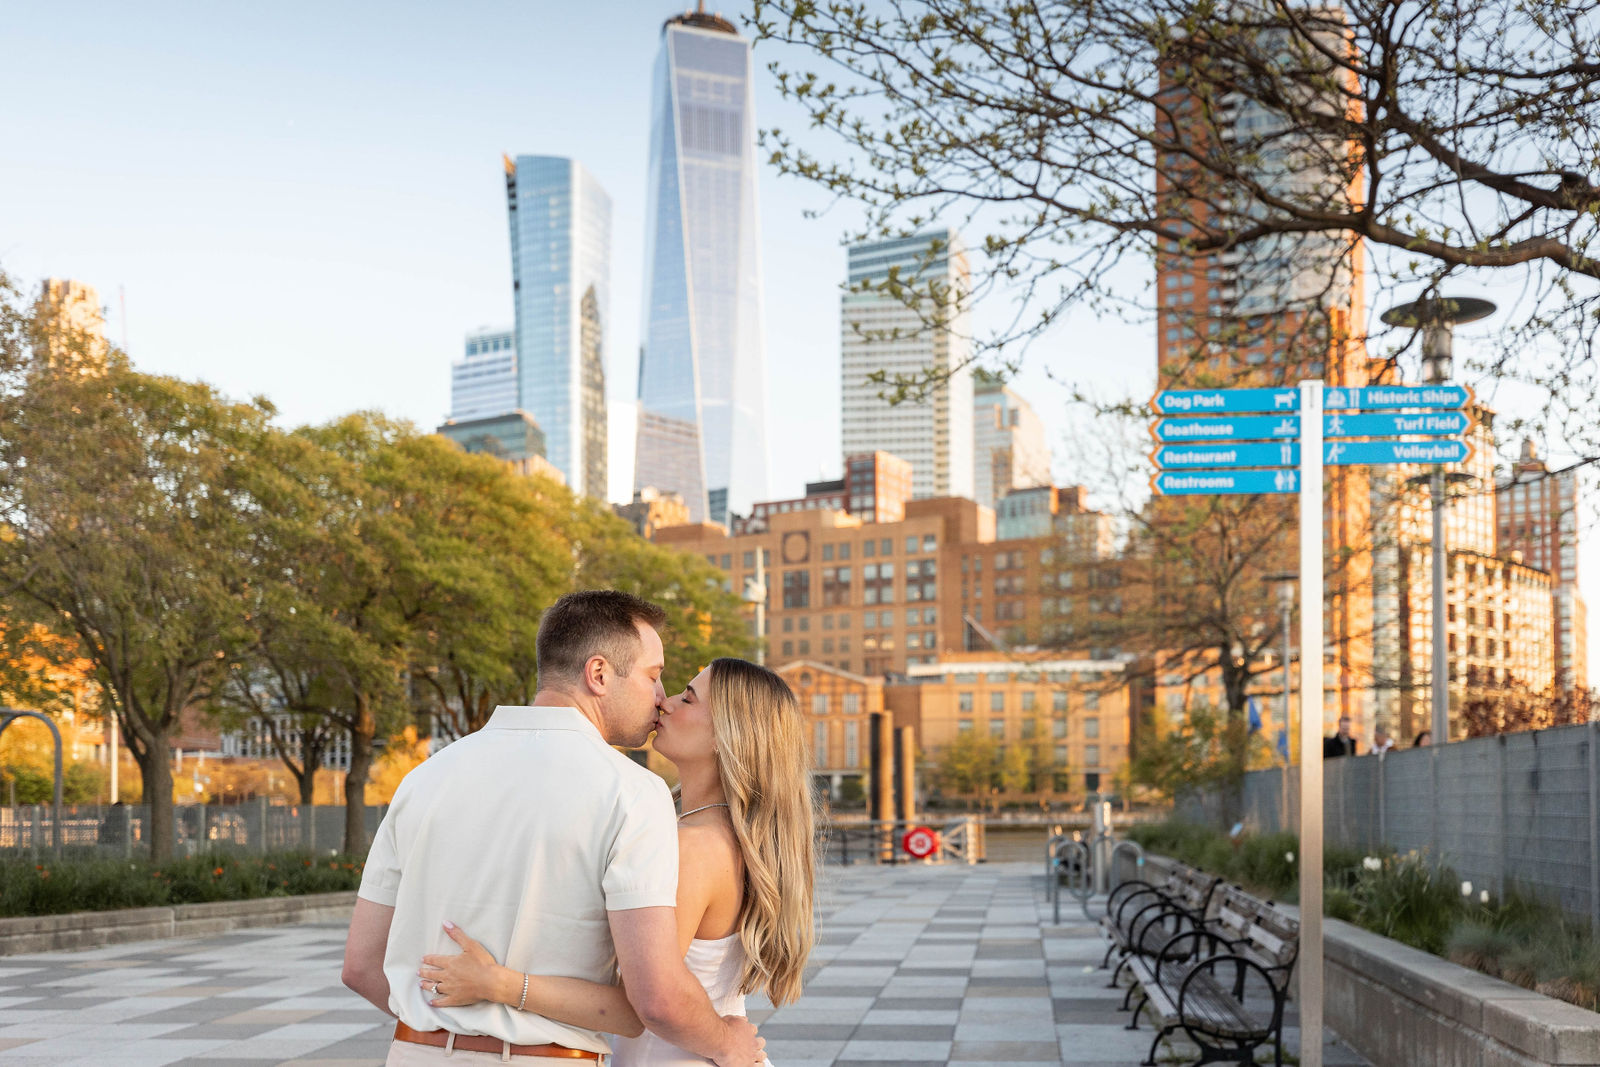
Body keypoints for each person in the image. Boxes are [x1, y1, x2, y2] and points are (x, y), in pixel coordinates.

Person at [341, 591, 765, 1067]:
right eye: (653, 675)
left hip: (413, 1053)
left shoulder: (423, 779)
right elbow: (652, 1000)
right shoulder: (630, 792)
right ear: (598, 674)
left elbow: (360, 966)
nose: (661, 697)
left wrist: (443, 1024)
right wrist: (727, 1042)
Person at [418, 657, 816, 1067]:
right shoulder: (725, 837)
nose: (665, 702)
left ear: (726, 734)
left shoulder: (692, 846)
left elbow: (644, 1004)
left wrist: (497, 983)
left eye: (688, 698)